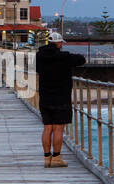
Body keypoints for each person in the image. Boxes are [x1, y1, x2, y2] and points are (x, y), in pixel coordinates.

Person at [34, 31, 85, 167]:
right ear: (57, 43)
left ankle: (46, 158)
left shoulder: (39, 56)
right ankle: (56, 158)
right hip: (61, 97)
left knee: (47, 128)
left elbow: (37, 69)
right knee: (58, 128)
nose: (62, 45)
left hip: (45, 96)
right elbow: (81, 60)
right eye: (61, 42)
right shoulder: (64, 57)